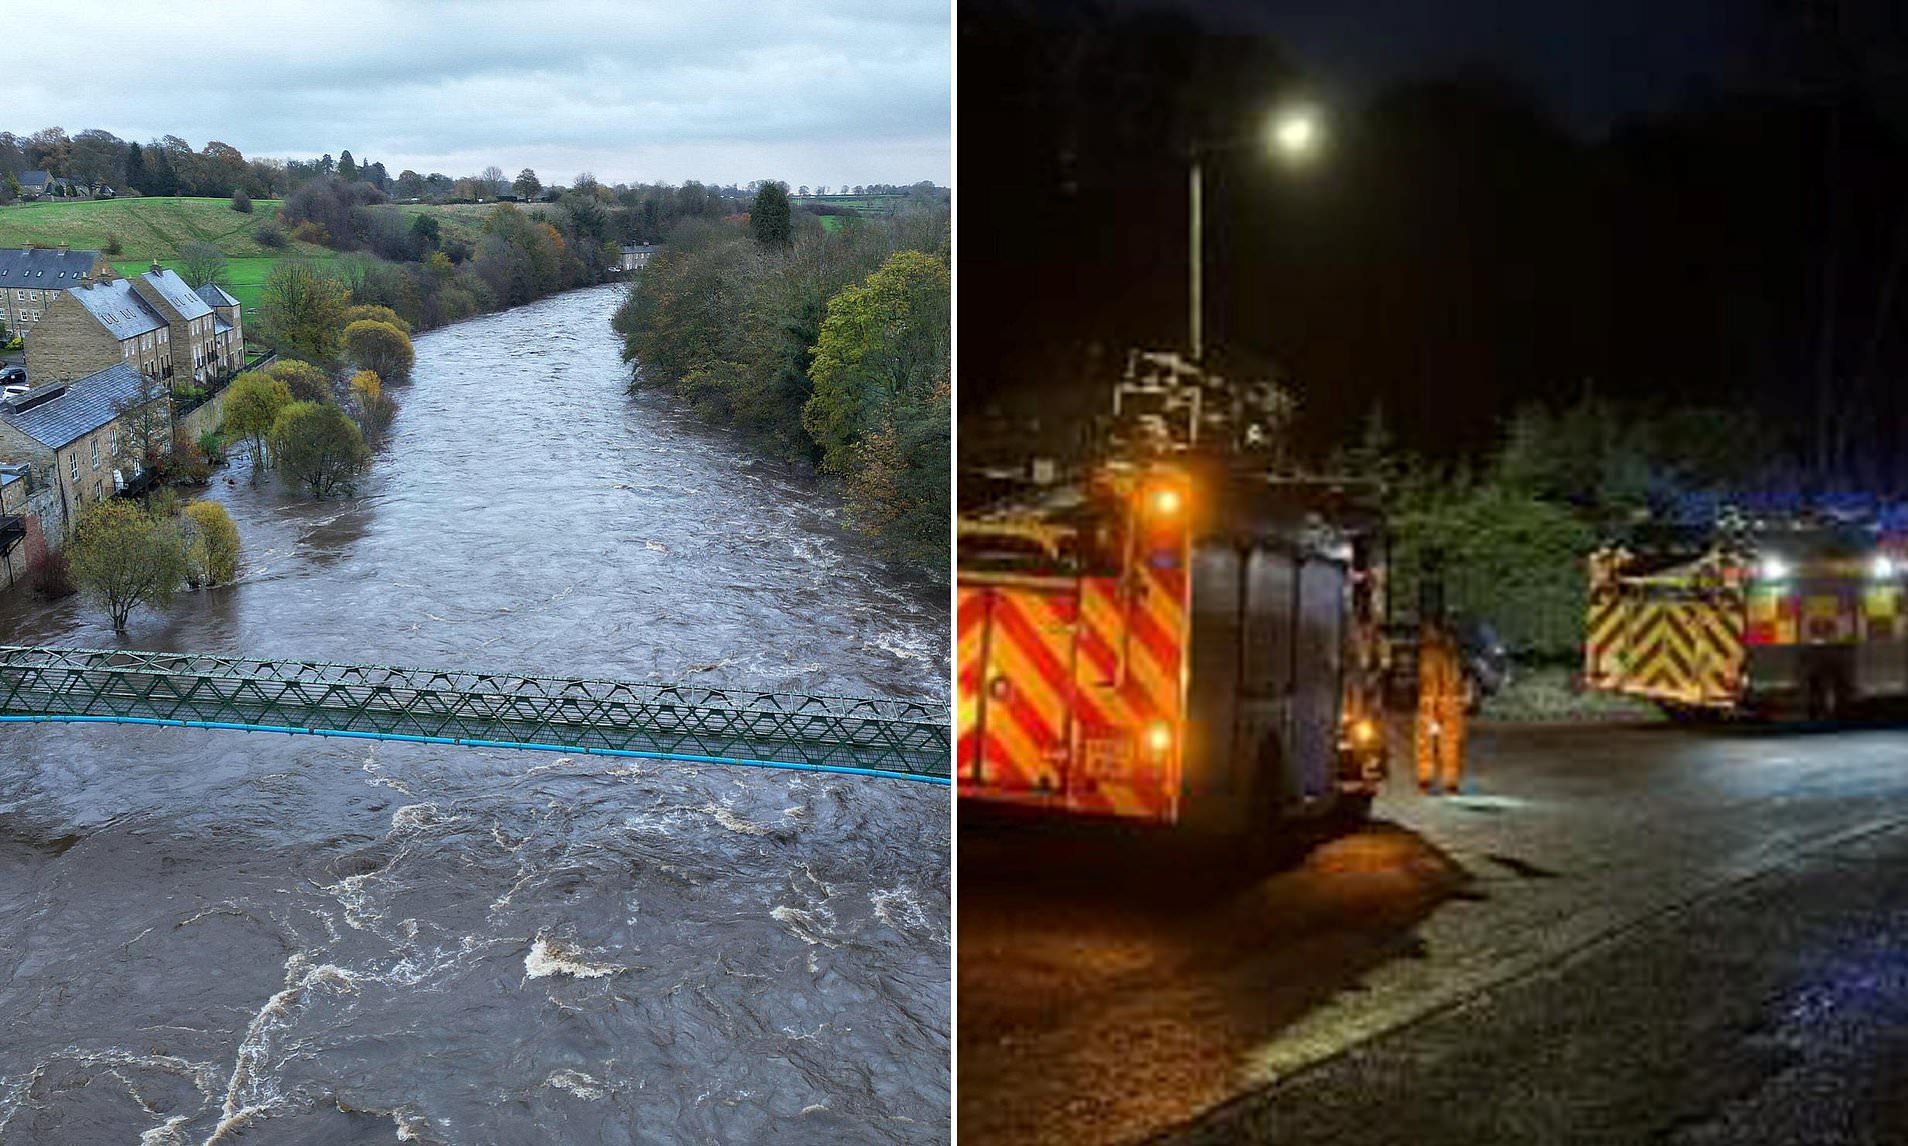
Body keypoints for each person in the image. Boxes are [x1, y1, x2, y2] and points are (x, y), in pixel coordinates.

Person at [1415, 618, 1468, 795]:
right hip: (1448, 705)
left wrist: (1433, 711)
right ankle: (1448, 781)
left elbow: (1431, 683)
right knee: (1449, 744)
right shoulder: (1451, 655)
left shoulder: (1432, 654)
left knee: (1429, 743)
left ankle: (1429, 779)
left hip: (1435, 705)